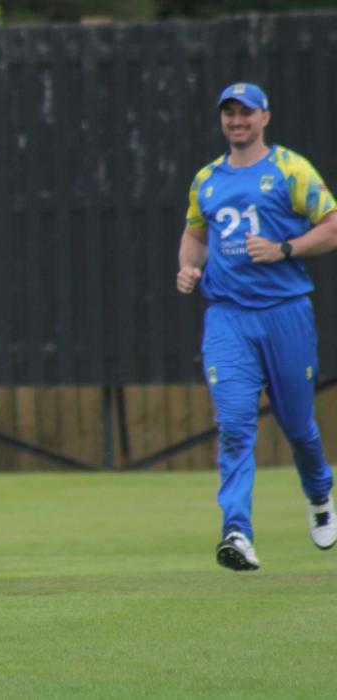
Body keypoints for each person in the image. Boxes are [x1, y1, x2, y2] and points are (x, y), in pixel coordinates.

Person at [177, 82, 337, 570]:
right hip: (227, 316)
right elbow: (194, 233)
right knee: (234, 424)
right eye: (229, 113)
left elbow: (331, 224)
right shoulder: (207, 178)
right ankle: (237, 532)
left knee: (297, 425)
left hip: (285, 312)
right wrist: (188, 267)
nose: (237, 120)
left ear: (265, 117)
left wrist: (284, 249)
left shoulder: (290, 168)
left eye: (246, 112)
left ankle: (320, 495)